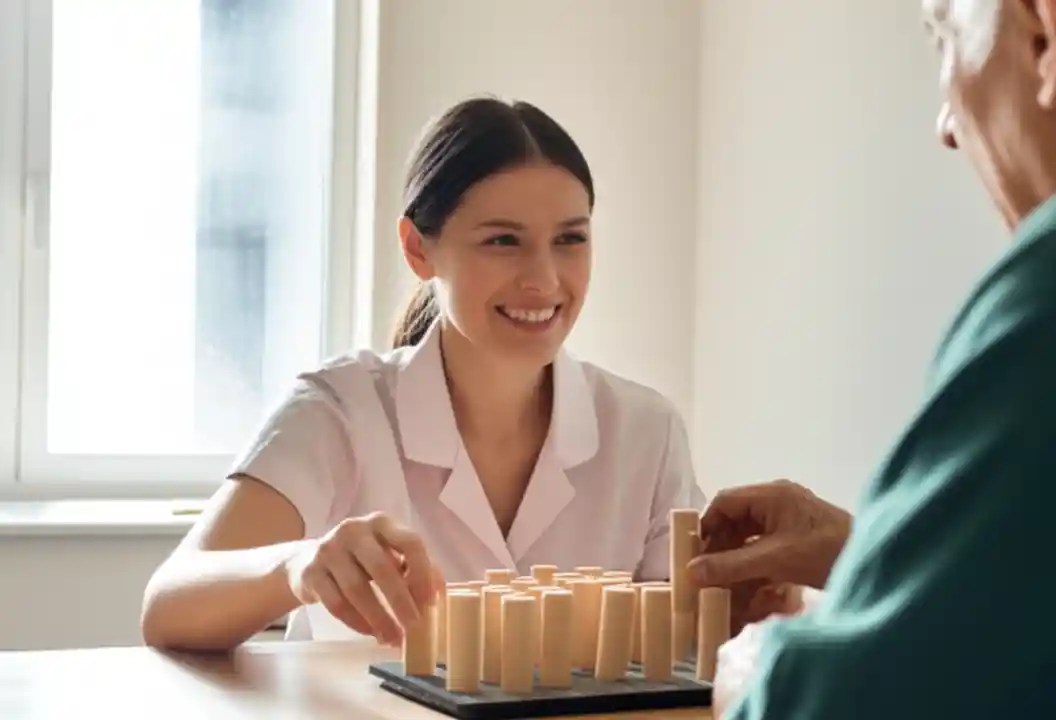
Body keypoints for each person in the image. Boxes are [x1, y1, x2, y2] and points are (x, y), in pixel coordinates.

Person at [697, 1, 1056, 717]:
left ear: (1046, 34)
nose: (946, 126)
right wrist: (881, 564)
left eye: (944, 42)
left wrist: (765, 674)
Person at [140, 97, 705, 651]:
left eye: (570, 240)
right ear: (418, 249)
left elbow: (686, 641)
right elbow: (167, 607)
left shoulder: (646, 431)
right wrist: (298, 565)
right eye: (502, 241)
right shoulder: (339, 410)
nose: (544, 279)